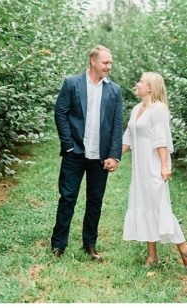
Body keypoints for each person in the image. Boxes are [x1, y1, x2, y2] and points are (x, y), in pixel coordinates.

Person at [121, 72, 187, 273]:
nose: (137, 84)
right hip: (139, 168)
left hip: (154, 164)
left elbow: (161, 139)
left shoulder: (158, 110)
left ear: (150, 88)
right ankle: (152, 255)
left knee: (159, 207)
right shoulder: (137, 108)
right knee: (144, 205)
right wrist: (114, 156)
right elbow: (128, 137)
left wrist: (164, 166)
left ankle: (186, 250)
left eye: (141, 81)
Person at [51, 45, 123, 261]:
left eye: (110, 63)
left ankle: (90, 244)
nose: (109, 67)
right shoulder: (72, 83)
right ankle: (58, 245)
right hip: (74, 153)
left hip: (100, 157)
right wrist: (68, 145)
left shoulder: (114, 90)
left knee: (95, 201)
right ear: (93, 61)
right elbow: (60, 113)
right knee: (67, 198)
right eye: (105, 63)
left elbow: (117, 124)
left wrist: (114, 155)